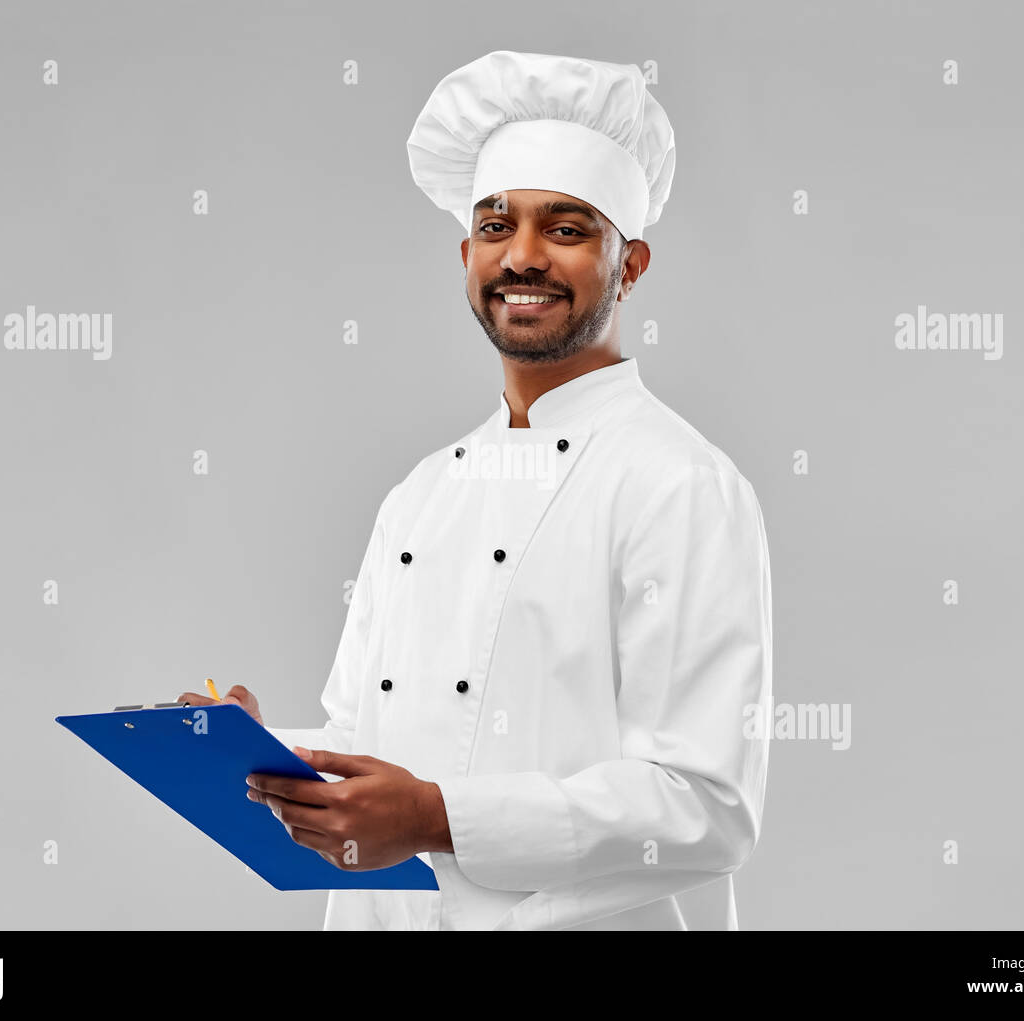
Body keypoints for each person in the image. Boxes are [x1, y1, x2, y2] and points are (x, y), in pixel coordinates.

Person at [179, 50, 773, 931]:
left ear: (631, 264)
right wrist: (269, 759)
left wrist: (434, 818)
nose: (522, 256)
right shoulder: (418, 497)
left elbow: (705, 806)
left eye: (566, 228)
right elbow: (375, 743)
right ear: (467, 254)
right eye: (496, 227)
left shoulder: (679, 485)